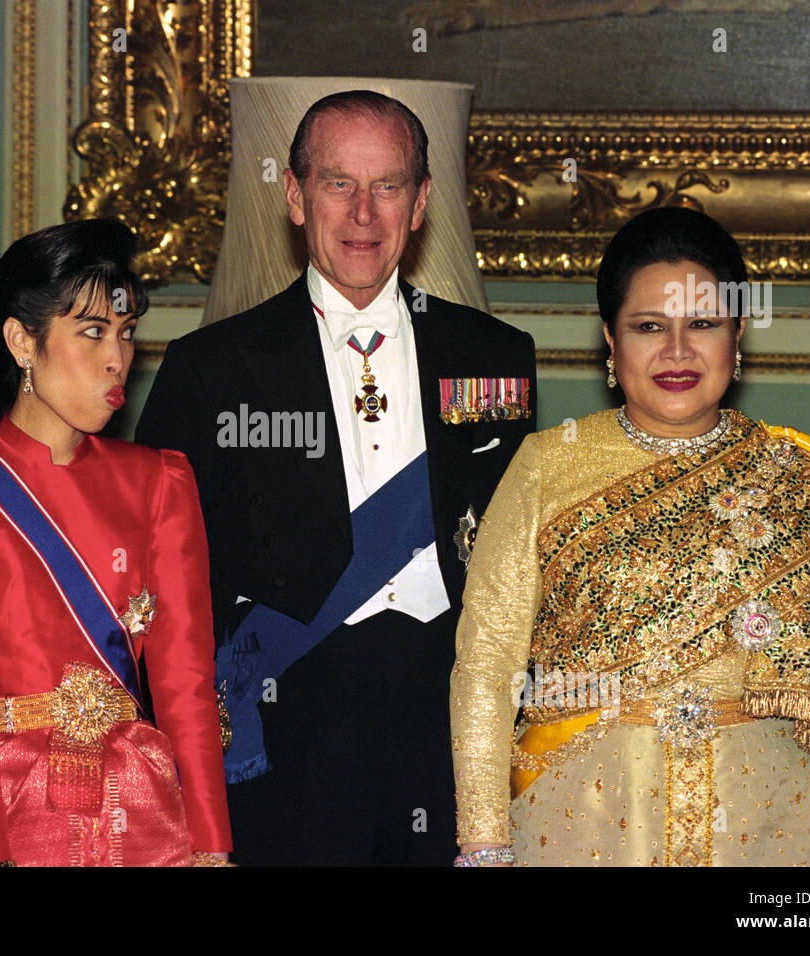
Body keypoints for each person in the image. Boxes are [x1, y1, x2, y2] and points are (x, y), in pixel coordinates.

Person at [136, 90, 537, 866]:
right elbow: (170, 585)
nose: (363, 213)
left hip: (446, 718)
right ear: (294, 195)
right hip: (293, 724)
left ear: (420, 204)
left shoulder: (492, 356)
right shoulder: (212, 369)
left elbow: (516, 554)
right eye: (336, 184)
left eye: (387, 185)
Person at [451, 207, 810, 867]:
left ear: (738, 336)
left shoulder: (799, 484)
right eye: (649, 327)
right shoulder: (545, 467)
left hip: (763, 828)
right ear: (611, 343)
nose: (676, 351)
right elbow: (486, 666)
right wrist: (484, 844)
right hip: (576, 824)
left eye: (702, 324)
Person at [0, 219, 231, 866]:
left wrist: (211, 847)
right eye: (93, 332)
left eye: (127, 334)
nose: (118, 359)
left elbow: (188, 685)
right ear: (23, 341)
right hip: (7, 809)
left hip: (145, 814)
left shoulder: (160, 481)